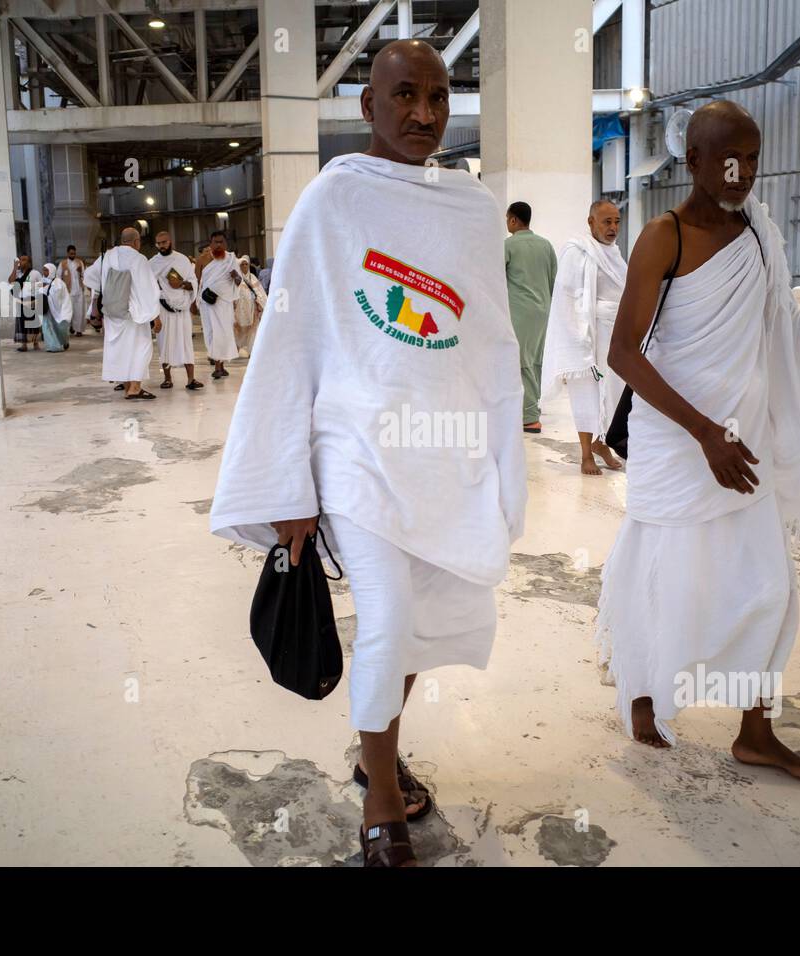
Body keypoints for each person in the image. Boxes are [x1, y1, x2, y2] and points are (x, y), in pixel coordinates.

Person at [208, 39, 526, 867]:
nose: (422, 114)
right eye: (403, 97)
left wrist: (499, 449)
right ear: (368, 107)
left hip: (443, 456)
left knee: (421, 625)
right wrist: (285, 482)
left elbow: (488, 341)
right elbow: (291, 342)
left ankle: (370, 751)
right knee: (385, 619)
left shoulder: (472, 208)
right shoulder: (331, 201)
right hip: (354, 452)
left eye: (437, 96)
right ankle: (382, 797)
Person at [596, 100, 800, 776]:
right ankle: (647, 691)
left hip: (744, 443)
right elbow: (623, 353)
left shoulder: (761, 234)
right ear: (695, 162)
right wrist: (704, 432)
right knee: (665, 577)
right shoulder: (664, 236)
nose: (742, 173)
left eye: (753, 159)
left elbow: (785, 327)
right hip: (681, 442)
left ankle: (754, 729)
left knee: (767, 584)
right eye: (728, 159)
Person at [540, 200, 628, 474]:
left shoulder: (614, 254)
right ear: (591, 222)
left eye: (616, 221)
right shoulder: (578, 252)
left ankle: (603, 443)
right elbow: (567, 299)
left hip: (613, 338)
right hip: (586, 338)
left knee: (612, 393)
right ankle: (586, 454)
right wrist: (578, 343)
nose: (613, 227)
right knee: (586, 395)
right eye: (607, 221)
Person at [83, 227, 162, 400]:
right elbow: (148, 289)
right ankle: (135, 388)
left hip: (112, 311)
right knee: (141, 347)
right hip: (133, 313)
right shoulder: (139, 259)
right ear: (136, 242)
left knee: (119, 349)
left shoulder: (108, 256)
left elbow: (89, 276)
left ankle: (128, 387)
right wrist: (155, 315)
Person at [503, 201, 557, 434]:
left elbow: (495, 280)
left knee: (520, 361)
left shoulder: (508, 246)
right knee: (535, 361)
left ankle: (530, 417)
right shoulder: (546, 246)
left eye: (507, 219)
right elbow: (555, 281)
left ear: (514, 220)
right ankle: (530, 407)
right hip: (544, 312)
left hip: (519, 312)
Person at [149, 231, 202, 390]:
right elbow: (149, 288)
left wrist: (180, 284)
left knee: (186, 343)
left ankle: (191, 379)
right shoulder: (152, 263)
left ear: (170, 241)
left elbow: (193, 281)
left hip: (182, 308)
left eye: (164, 242)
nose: (161, 246)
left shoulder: (182, 259)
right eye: (158, 243)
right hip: (163, 307)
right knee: (164, 343)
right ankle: (167, 379)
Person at [197, 231, 241, 379]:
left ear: (225, 243)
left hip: (224, 303)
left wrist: (235, 277)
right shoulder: (202, 259)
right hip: (208, 303)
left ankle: (221, 365)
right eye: (215, 242)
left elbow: (238, 281)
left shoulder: (231, 259)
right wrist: (193, 301)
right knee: (213, 332)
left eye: (221, 242)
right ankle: (217, 366)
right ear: (210, 243)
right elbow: (197, 282)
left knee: (224, 333)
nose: (218, 245)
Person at [233, 255, 266, 357]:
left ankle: (252, 351)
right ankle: (235, 350)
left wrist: (261, 302)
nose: (244, 266)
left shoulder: (252, 277)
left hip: (252, 309)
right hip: (239, 310)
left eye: (246, 264)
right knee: (238, 331)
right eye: (242, 264)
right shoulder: (237, 278)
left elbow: (260, 291)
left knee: (253, 331)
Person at [7, 254, 39, 351]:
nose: (21, 261)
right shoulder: (17, 273)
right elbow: (10, 281)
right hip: (21, 301)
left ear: (29, 262)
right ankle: (24, 344)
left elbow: (41, 286)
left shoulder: (35, 273)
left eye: (24, 260)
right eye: (20, 260)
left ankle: (35, 343)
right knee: (22, 323)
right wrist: (15, 267)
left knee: (33, 323)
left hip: (32, 300)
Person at [39, 262, 73, 352]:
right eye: (43, 270)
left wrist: (44, 289)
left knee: (61, 328)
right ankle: (53, 346)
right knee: (47, 327)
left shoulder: (59, 283)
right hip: (48, 309)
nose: (44, 272)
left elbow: (58, 297)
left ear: (52, 271)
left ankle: (64, 342)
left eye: (46, 270)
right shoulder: (42, 281)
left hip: (60, 309)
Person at [60, 245, 87, 336]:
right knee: (69, 311)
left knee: (79, 311)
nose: (73, 255)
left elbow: (84, 276)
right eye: (71, 253)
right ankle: (71, 326)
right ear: (67, 253)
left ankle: (78, 330)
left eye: (74, 253)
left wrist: (81, 272)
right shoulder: (63, 264)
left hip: (79, 290)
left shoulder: (79, 263)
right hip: (68, 291)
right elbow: (58, 277)